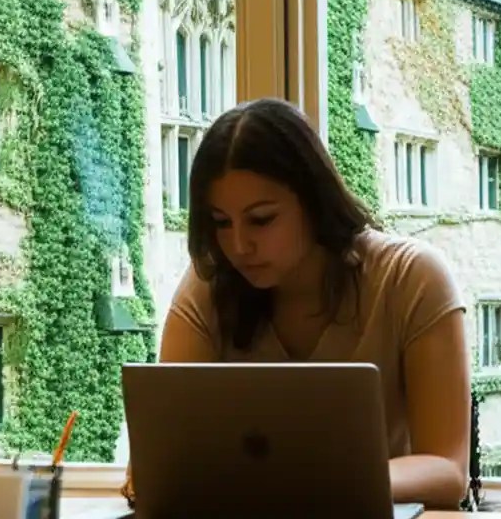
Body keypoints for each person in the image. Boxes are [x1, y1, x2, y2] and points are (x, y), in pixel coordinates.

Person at [122, 98, 470, 510]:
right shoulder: (209, 286)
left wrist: (316, 485)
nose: (238, 245)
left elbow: (449, 471)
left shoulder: (413, 278)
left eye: (261, 219)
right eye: (220, 222)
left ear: (313, 201)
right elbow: (162, 461)